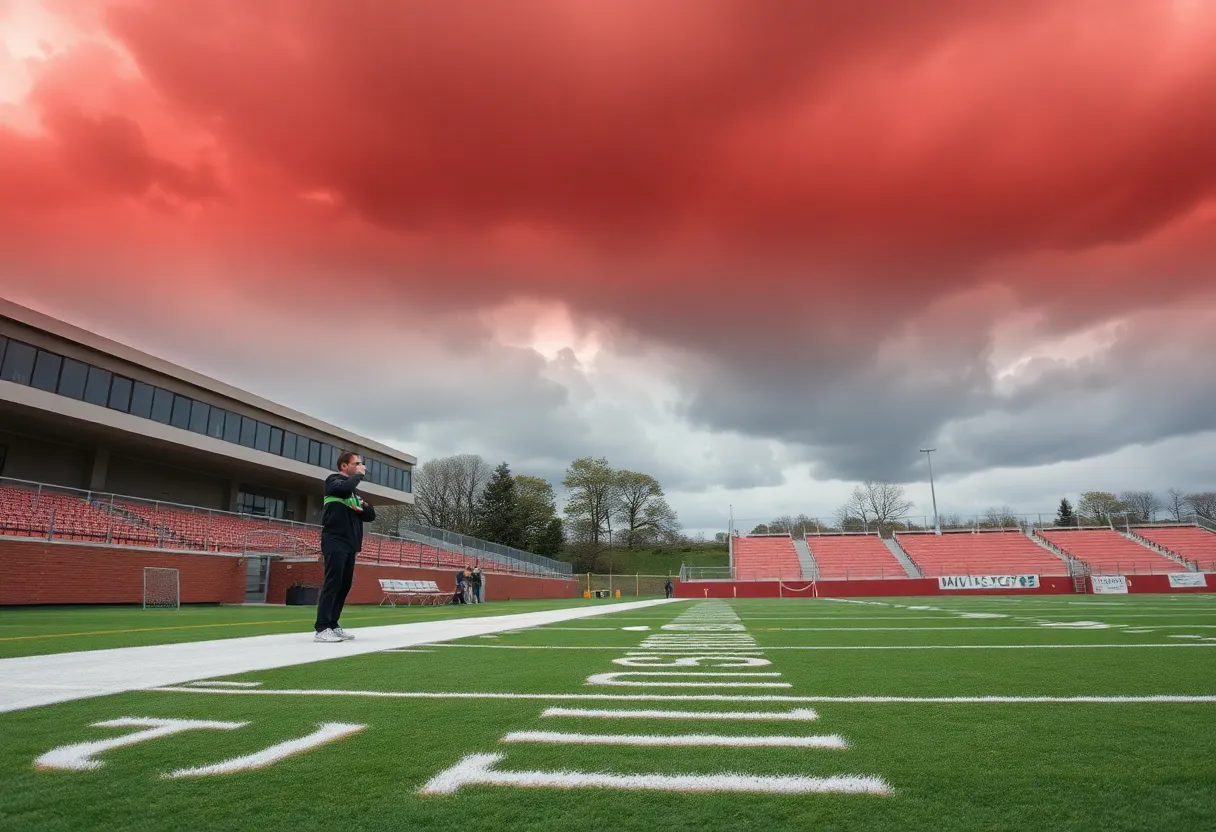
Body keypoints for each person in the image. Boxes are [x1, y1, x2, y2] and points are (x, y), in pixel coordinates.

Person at [314, 452, 376, 643]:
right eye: (356, 463)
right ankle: (322, 628)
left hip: (350, 544)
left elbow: (370, 515)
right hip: (334, 540)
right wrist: (359, 475)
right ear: (344, 466)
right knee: (333, 582)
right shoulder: (334, 481)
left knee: (344, 584)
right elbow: (345, 487)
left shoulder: (352, 493)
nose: (360, 466)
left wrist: (363, 507)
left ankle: (333, 624)